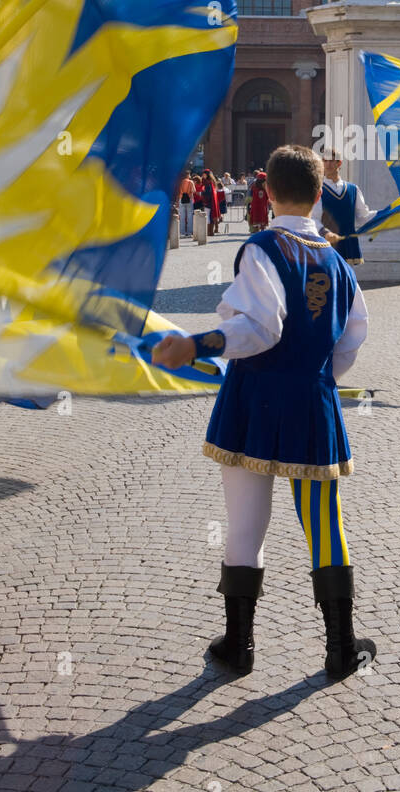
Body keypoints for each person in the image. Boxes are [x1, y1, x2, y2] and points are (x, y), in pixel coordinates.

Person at [151, 144, 375, 681]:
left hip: (253, 400)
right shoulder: (336, 260)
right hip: (313, 403)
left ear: (267, 193)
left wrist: (197, 343)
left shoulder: (262, 249)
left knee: (247, 523)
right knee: (325, 524)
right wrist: (314, 378)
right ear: (322, 194)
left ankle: (238, 644)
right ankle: (341, 647)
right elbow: (351, 341)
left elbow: (261, 328)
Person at [312, 151, 372, 266]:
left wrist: (386, 213)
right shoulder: (318, 190)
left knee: (347, 281)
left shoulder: (353, 189)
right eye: (325, 161)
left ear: (339, 163)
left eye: (331, 161)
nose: (328, 165)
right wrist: (325, 233)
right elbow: (313, 218)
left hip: (348, 243)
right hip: (326, 243)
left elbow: (363, 216)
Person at [177, 169, 196, 238]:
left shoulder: (180, 182)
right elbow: (194, 190)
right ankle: (189, 232)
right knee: (189, 216)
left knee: (182, 216)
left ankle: (182, 232)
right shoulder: (191, 182)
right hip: (189, 199)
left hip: (181, 199)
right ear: (188, 175)